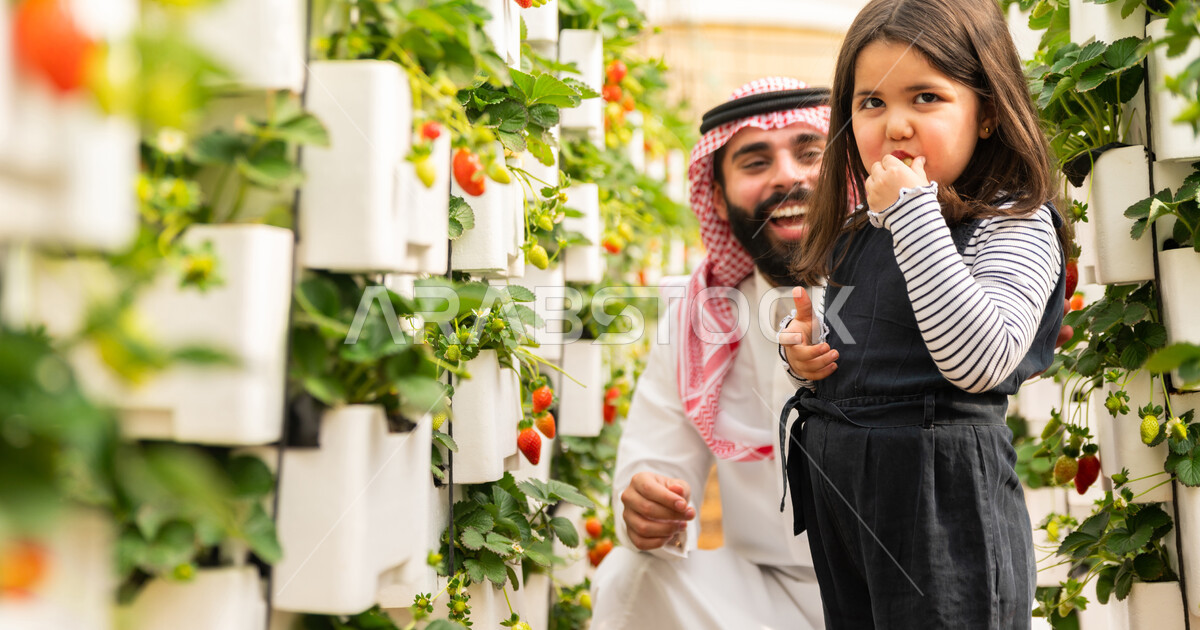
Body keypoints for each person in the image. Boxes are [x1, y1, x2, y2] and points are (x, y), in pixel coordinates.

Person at [778, 0, 1069, 627]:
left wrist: (913, 216)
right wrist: (803, 352)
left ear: (987, 112)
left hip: (939, 493)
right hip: (849, 493)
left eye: (927, 98)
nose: (896, 125)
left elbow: (980, 360)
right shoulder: (865, 228)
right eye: (872, 103)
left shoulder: (1015, 222)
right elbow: (869, 353)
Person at [589, 77, 831, 630]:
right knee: (631, 574)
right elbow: (652, 473)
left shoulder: (909, 286)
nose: (787, 177)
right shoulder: (699, 317)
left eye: (809, 152)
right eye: (754, 162)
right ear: (717, 197)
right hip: (763, 599)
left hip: (904, 593)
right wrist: (649, 510)